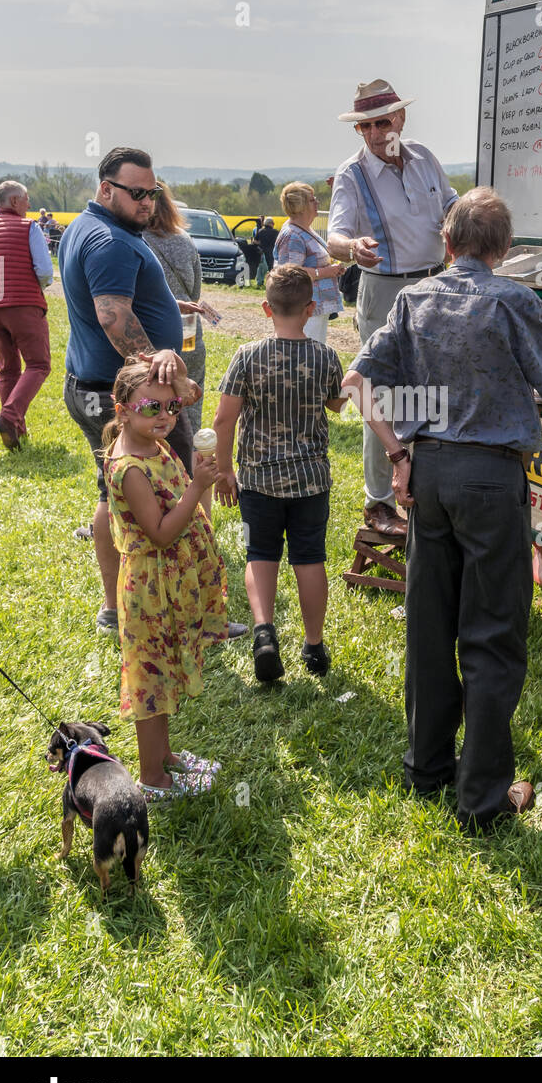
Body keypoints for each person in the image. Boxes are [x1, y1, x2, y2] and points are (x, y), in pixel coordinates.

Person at [341, 187, 542, 831]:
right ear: (505, 250)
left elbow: (355, 381)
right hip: (490, 480)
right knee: (491, 634)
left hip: (429, 474)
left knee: (429, 626)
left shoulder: (413, 297)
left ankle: (426, 768)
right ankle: (483, 798)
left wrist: (398, 456)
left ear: (449, 244)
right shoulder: (514, 299)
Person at [59, 144, 244, 637]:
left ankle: (119, 609)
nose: (147, 202)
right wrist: (170, 380)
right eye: (136, 193)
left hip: (93, 384)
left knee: (111, 489)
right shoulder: (111, 241)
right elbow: (113, 315)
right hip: (124, 392)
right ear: (106, 189)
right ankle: (194, 611)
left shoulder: (88, 226)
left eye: (152, 192)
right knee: (182, 484)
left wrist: (176, 307)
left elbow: (128, 299)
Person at [327, 78, 457, 537]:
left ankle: (423, 485)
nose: (378, 132)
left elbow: (452, 207)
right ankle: (378, 502)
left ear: (401, 118)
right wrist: (352, 248)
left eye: (384, 121)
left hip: (434, 285)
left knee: (428, 387)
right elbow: (335, 235)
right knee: (377, 394)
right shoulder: (352, 174)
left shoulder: (424, 158)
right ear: (358, 131)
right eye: (367, 126)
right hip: (383, 291)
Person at [214, 266, 345, 683]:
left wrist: (223, 471)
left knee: (261, 555)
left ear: (266, 308)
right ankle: (314, 645)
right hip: (310, 481)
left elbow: (223, 420)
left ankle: (264, 631)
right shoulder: (325, 356)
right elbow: (337, 405)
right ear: (310, 309)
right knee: (310, 558)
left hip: (258, 480)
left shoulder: (247, 356)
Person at [102, 360, 225, 800]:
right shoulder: (130, 467)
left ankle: (165, 757)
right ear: (121, 410)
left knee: (164, 675)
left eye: (170, 407)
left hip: (167, 585)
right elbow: (159, 533)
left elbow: (184, 389)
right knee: (150, 686)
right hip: (149, 590)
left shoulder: (155, 440)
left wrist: (172, 362)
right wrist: (197, 485)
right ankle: (152, 778)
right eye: (151, 406)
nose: (164, 415)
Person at [0, 180, 53, 450]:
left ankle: (15, 431)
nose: (29, 205)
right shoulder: (28, 227)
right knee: (38, 364)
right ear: (13, 201)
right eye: (26, 199)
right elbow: (44, 270)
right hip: (23, 304)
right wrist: (40, 287)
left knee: (8, 369)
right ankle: (9, 417)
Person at [143, 181, 219, 435]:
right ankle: (190, 450)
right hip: (188, 328)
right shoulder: (185, 240)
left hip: (154, 330)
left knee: (156, 392)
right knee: (190, 391)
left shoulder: (137, 240)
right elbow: (195, 291)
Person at [274, 182, 344, 343]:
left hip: (315, 308)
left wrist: (333, 268)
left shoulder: (304, 229)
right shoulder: (292, 235)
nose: (317, 202)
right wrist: (327, 272)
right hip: (303, 308)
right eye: (312, 200)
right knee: (307, 354)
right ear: (301, 206)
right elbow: (290, 274)